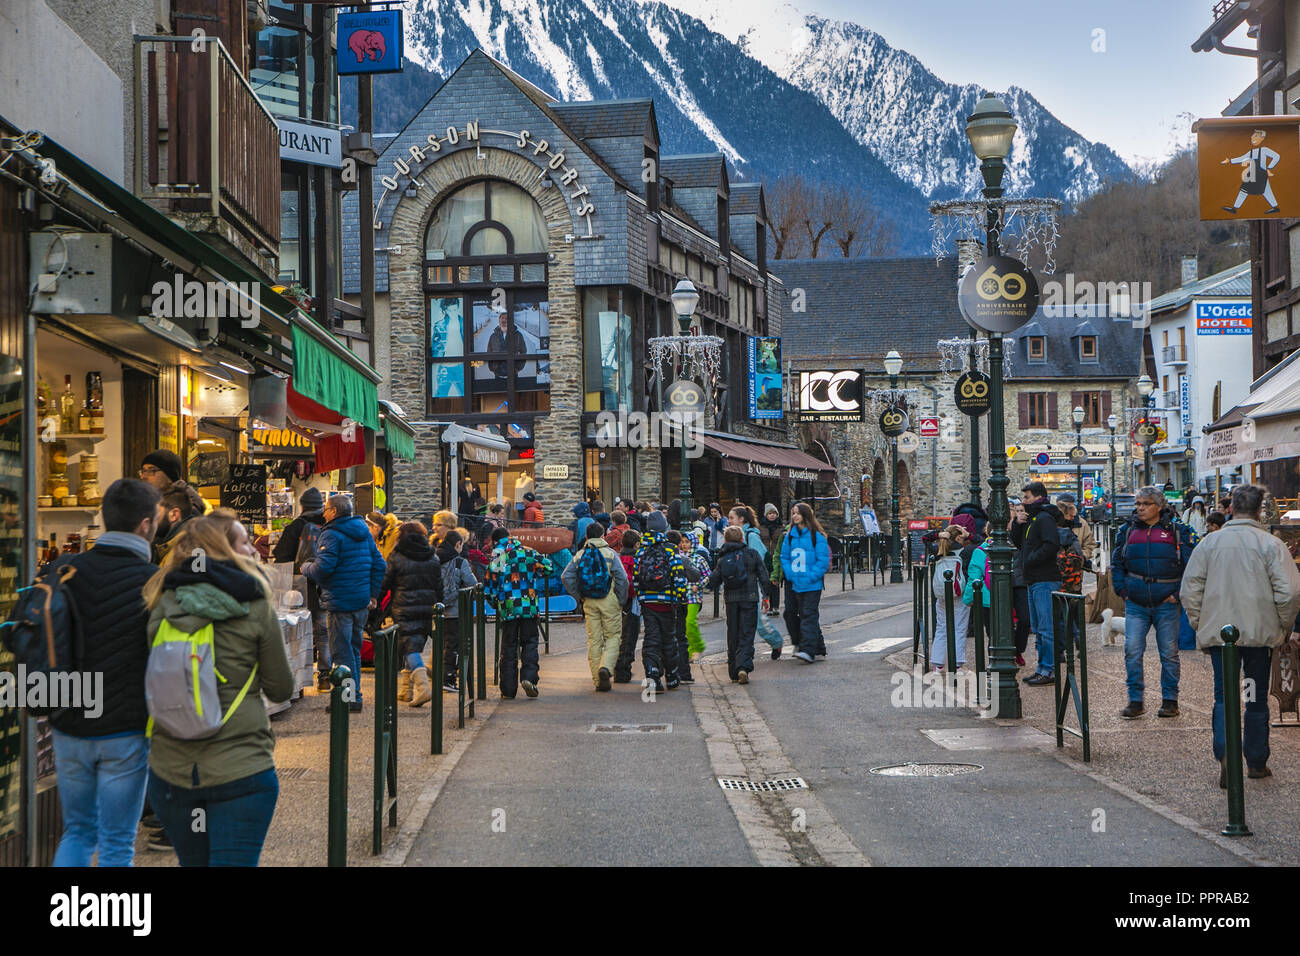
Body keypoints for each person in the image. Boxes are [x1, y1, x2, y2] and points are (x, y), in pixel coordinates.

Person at [142, 515, 293, 866]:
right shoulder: (254, 606)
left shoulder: (160, 604)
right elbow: (281, 687)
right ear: (224, 550)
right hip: (241, 769)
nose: (251, 548)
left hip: (172, 772)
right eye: (243, 542)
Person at [47, 479, 163, 867]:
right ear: (145, 524)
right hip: (125, 731)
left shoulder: (62, 571)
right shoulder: (152, 582)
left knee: (78, 832)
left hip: (68, 723)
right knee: (116, 843)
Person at [1180, 484, 1300, 785]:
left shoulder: (1210, 543)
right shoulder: (1270, 544)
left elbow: (1190, 589)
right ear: (1259, 510)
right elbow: (1289, 592)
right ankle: (1256, 759)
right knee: (1253, 694)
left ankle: (1226, 753)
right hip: (1258, 636)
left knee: (1224, 694)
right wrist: (1283, 626)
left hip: (1222, 635)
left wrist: (1199, 622)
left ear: (1230, 508)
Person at [1111, 486, 1199, 719]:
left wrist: (1177, 594)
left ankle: (1170, 700)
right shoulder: (1127, 529)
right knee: (1132, 650)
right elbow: (1117, 562)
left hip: (1166, 602)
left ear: (1159, 506)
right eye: (1138, 503)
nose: (1140, 508)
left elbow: (1192, 567)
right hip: (1136, 601)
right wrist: (1123, 590)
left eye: (1145, 504)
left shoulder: (1177, 530)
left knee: (1169, 652)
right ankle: (1135, 700)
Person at [302, 494, 386, 713]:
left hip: (340, 602)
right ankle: (354, 694)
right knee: (354, 650)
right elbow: (379, 564)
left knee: (341, 652)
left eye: (327, 508)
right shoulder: (363, 532)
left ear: (335, 512)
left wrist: (306, 567)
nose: (323, 512)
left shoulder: (331, 534)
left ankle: (348, 699)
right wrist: (372, 594)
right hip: (360, 602)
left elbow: (323, 568)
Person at [634, 511, 701, 692]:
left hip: (648, 602)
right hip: (667, 602)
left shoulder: (641, 549)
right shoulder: (670, 548)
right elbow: (678, 575)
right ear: (664, 528)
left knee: (651, 639)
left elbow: (635, 577)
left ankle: (653, 675)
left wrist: (641, 596)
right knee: (669, 639)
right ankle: (671, 676)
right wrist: (678, 597)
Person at [484, 526, 553, 698]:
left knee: (508, 647)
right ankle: (529, 678)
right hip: (529, 606)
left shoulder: (499, 555)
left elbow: (490, 585)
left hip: (508, 608)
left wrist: (495, 603)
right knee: (530, 643)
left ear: (494, 541)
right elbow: (548, 567)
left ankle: (508, 689)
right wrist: (534, 574)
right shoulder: (527, 552)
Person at [272, 487, 330, 691]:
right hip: (323, 585)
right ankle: (325, 676)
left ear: (302, 505)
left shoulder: (295, 526)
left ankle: (297, 678)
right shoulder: (329, 525)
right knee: (322, 631)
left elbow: (281, 557)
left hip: (297, 588)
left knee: (297, 631)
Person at [380, 520, 443, 707]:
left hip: (404, 607)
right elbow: (438, 586)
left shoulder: (397, 556)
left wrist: (376, 600)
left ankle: (423, 688)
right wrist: (439, 605)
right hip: (426, 607)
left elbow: (386, 582)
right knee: (413, 645)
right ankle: (406, 691)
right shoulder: (433, 557)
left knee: (409, 647)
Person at [562, 522, 629, 691]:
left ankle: (598, 680)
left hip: (589, 601)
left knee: (594, 639)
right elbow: (622, 579)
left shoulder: (579, 555)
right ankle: (605, 667)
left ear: (586, 536)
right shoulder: (611, 554)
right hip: (609, 600)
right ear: (603, 535)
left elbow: (566, 577)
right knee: (613, 636)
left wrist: (579, 596)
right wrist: (621, 599)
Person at [1014, 482, 1062, 686]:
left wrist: (1031, 560)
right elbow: (1018, 543)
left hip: (1045, 579)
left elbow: (1051, 545)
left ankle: (1049, 670)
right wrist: (1018, 523)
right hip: (1032, 579)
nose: (1023, 501)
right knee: (1038, 627)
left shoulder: (1043, 519)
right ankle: (1042, 667)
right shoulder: (1031, 519)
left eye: (1027, 497)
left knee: (1045, 627)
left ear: (1037, 497)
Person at [708, 525, 770, 683]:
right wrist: (766, 596)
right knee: (747, 633)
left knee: (733, 634)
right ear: (742, 539)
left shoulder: (723, 557)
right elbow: (764, 576)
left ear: (726, 539)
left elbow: (714, 580)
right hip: (750, 597)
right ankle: (743, 666)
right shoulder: (752, 554)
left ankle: (733, 670)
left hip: (731, 599)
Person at [780, 502, 831, 664]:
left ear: (805, 515)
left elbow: (822, 560)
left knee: (808, 615)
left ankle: (807, 650)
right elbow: (784, 557)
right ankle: (818, 646)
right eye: (793, 513)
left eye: (798, 513)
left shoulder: (817, 536)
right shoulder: (789, 536)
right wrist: (789, 574)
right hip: (794, 582)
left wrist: (810, 576)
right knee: (791, 614)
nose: (795, 516)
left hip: (812, 584)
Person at [436, 529, 479, 691]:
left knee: (444, 644)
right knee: (454, 645)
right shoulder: (460, 562)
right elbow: (472, 584)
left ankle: (443, 676)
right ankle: (449, 678)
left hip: (438, 609)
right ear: (458, 544)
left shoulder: (434, 558)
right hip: (455, 610)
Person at [930, 525, 971, 670]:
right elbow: (979, 543)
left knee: (941, 627)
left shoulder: (938, 551)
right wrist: (969, 535)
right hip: (959, 593)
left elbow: (925, 538)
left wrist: (938, 535)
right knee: (959, 627)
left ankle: (938, 663)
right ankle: (957, 662)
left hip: (941, 594)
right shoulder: (964, 551)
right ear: (959, 537)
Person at [153, 480, 207, 564]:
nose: (151, 518)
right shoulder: (170, 544)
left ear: (174, 514)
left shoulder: (187, 552)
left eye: (156, 512)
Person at [613, 529, 642, 683]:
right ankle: (623, 670)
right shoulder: (636, 559)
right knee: (629, 636)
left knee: (616, 635)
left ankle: (613, 665)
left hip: (615, 600)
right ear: (637, 544)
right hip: (632, 601)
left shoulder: (617, 557)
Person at [681, 530, 712, 662]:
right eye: (682, 542)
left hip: (694, 596)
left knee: (690, 622)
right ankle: (690, 652)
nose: (684, 544)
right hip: (681, 596)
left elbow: (707, 575)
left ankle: (698, 645)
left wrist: (698, 585)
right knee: (683, 625)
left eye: (687, 542)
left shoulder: (699, 559)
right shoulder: (679, 556)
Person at [1010, 500, 1031, 668]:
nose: (1019, 513)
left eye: (1021, 510)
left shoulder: (1027, 529)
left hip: (1021, 580)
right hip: (1002, 580)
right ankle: (1006, 651)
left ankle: (1019, 649)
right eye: (1016, 510)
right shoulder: (1000, 530)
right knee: (1003, 620)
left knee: (1025, 619)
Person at [1056, 494, 1096, 566]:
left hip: (1075, 571)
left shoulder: (1082, 524)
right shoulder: (1051, 522)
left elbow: (1090, 545)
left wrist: (1079, 557)